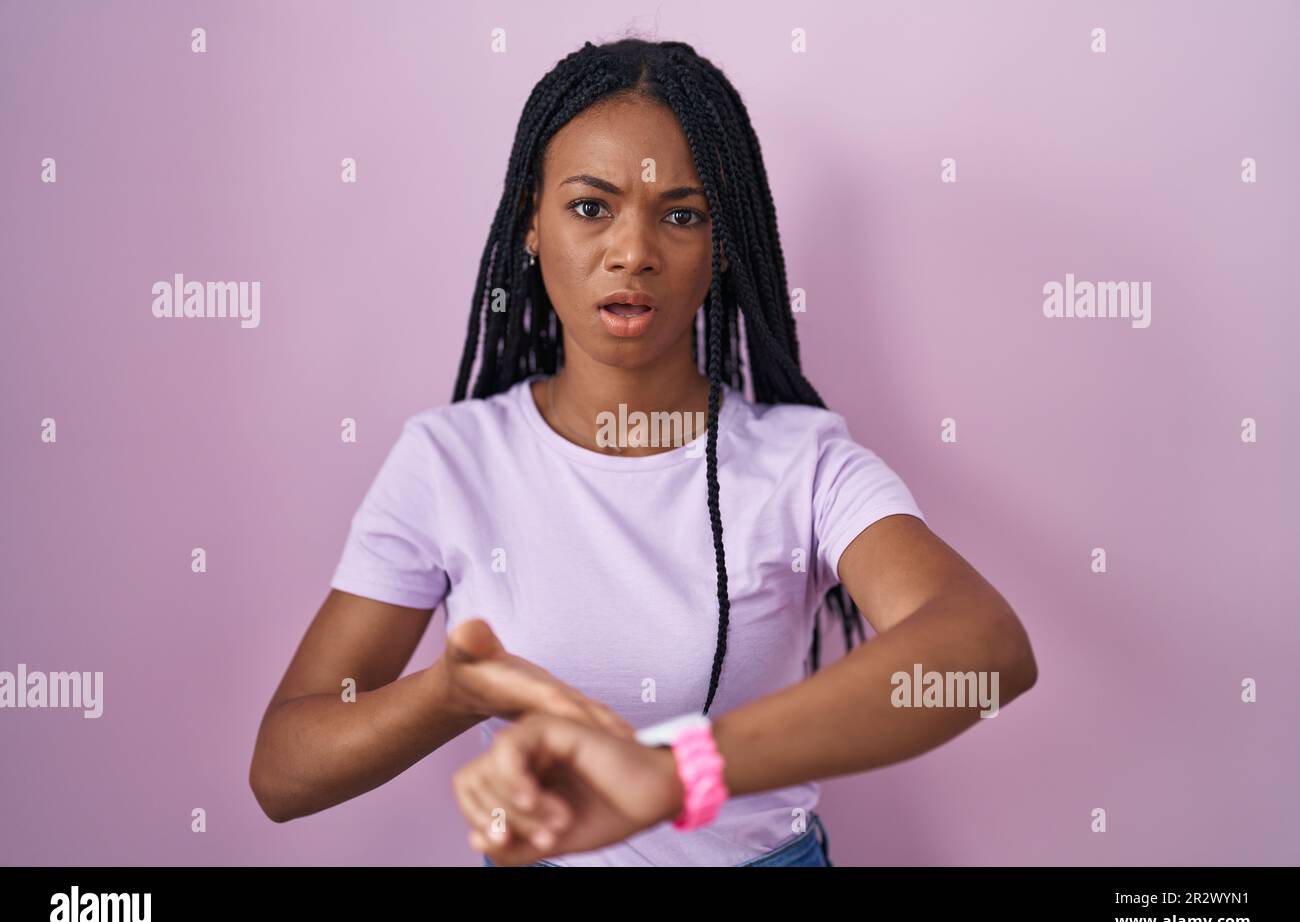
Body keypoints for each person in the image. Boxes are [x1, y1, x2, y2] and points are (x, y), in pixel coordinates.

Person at [248, 36, 1037, 867]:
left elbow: (983, 650)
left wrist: (674, 775)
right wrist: (449, 693)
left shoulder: (802, 462)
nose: (633, 251)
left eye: (681, 214)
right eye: (591, 207)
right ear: (530, 226)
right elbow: (282, 770)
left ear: (722, 248)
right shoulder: (448, 461)